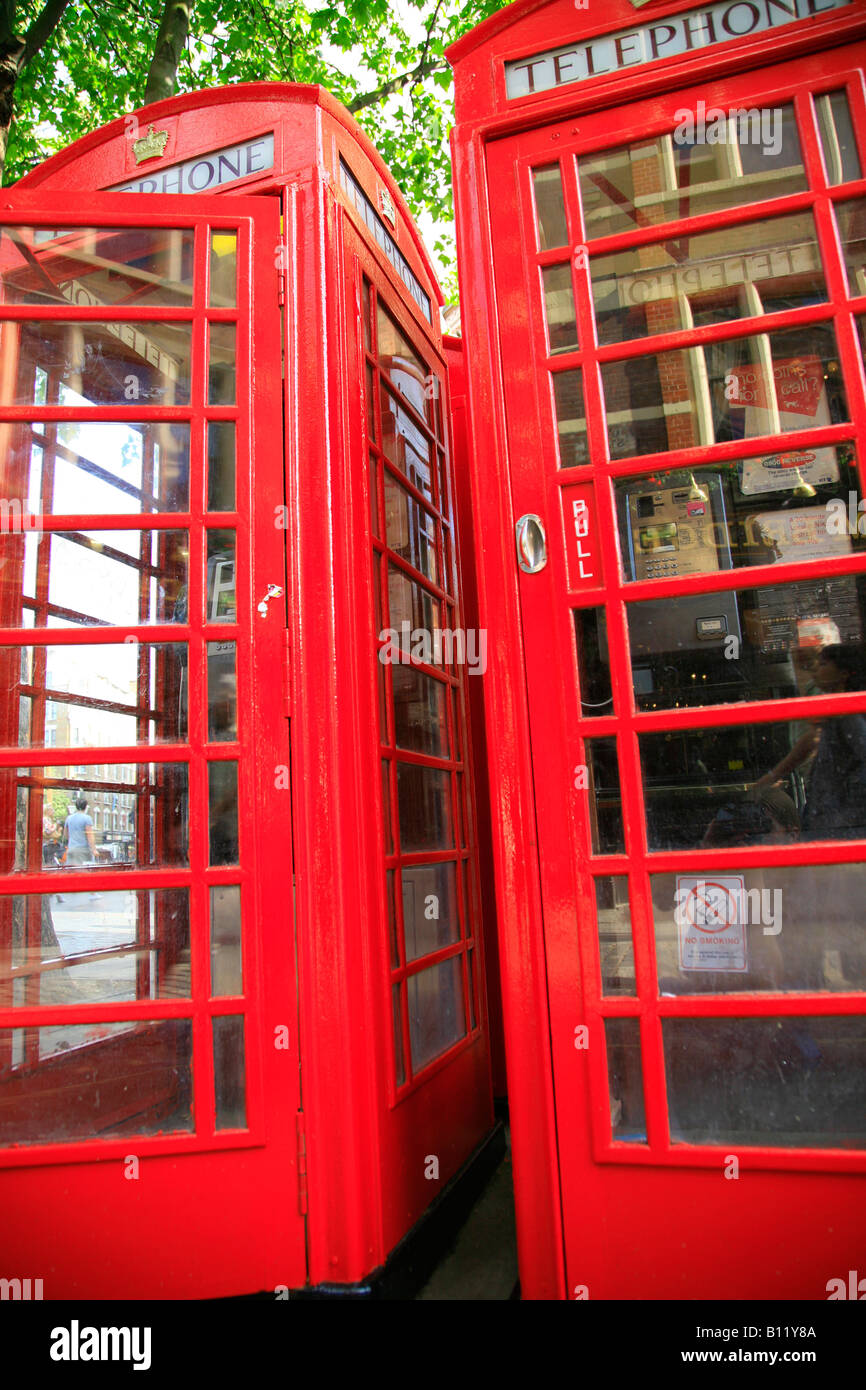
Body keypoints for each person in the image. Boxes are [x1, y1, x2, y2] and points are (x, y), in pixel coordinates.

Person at [63, 795, 96, 866]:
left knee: (71, 872)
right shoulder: (87, 818)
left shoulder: (69, 818)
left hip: (71, 849)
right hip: (82, 850)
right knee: (83, 873)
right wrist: (94, 849)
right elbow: (89, 835)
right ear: (85, 806)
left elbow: (66, 834)